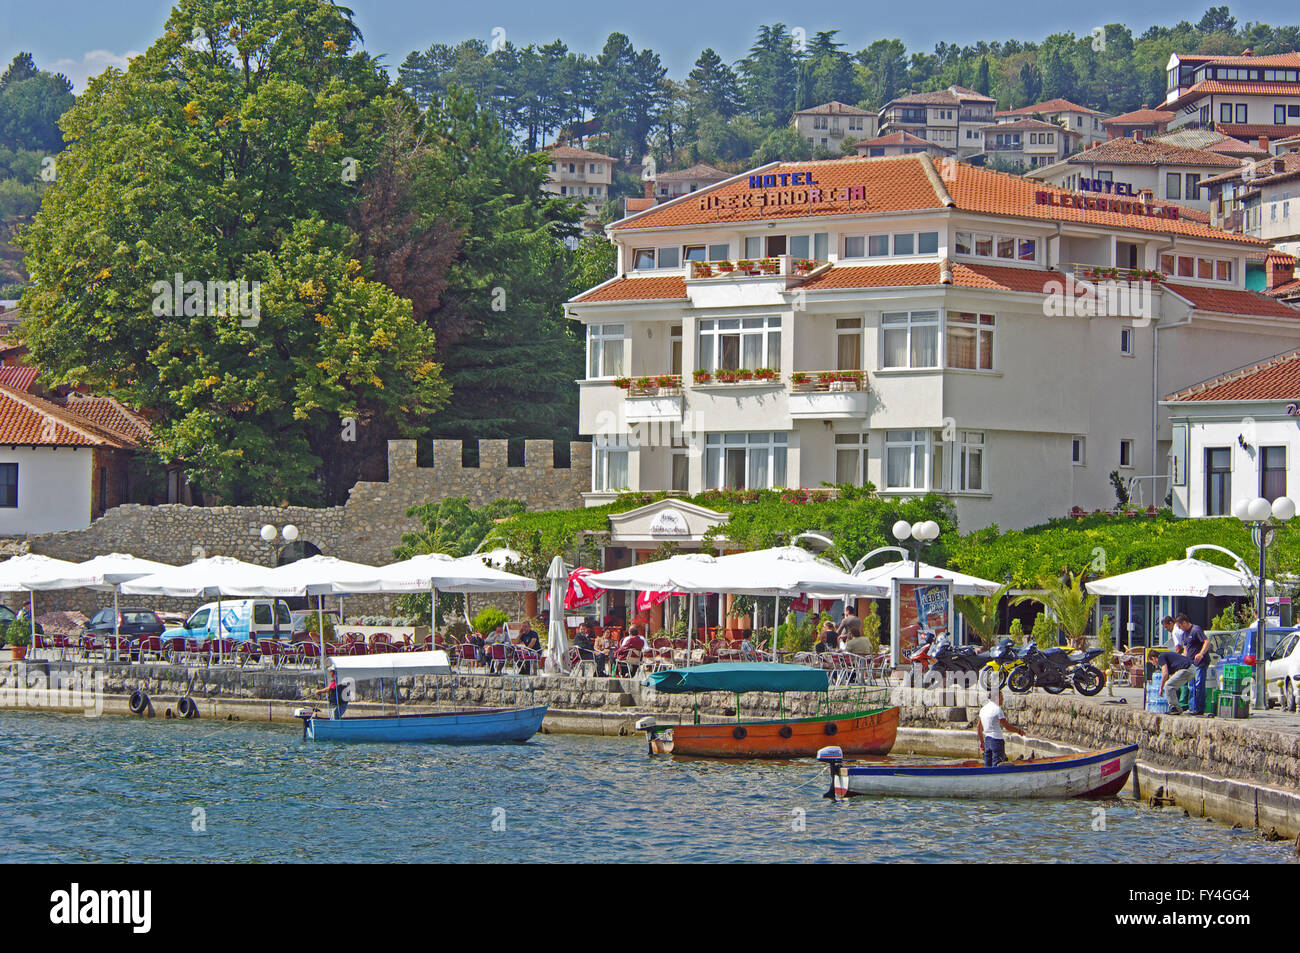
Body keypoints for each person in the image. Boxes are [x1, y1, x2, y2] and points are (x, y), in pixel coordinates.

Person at [977, 689, 1025, 767]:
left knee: (987, 767)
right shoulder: (997, 709)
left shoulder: (983, 710)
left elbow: (978, 728)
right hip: (996, 741)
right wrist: (1019, 731)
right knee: (997, 766)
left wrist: (982, 742)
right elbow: (1006, 726)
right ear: (997, 698)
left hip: (987, 741)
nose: (1003, 699)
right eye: (1002, 697)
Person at [1175, 614, 1211, 715]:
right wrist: (1183, 660)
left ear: (1184, 623)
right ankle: (1192, 707)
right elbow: (1186, 648)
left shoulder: (1196, 630)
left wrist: (1201, 653)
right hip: (1191, 664)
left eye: (1179, 626)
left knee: (1199, 684)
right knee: (1191, 686)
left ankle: (1199, 709)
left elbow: (1207, 642)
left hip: (1200, 663)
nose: (1179, 628)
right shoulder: (1184, 634)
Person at [1156, 647, 1194, 714]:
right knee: (1172, 686)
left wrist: (1161, 688)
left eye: (1152, 663)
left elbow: (1165, 673)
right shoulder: (1169, 657)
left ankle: (1175, 708)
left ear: (1153, 658)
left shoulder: (1160, 657)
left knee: (1168, 686)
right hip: (1191, 669)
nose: (1155, 665)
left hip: (1186, 669)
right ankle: (1177, 708)